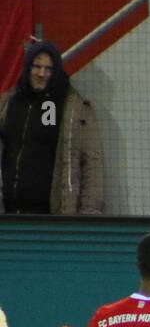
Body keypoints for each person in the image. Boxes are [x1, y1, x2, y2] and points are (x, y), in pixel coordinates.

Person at [0, 40, 103, 215]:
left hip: (51, 220)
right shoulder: (8, 104)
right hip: (8, 218)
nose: (42, 73)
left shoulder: (73, 108)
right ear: (27, 68)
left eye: (49, 69)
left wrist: (90, 215)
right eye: (37, 66)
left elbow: (92, 165)